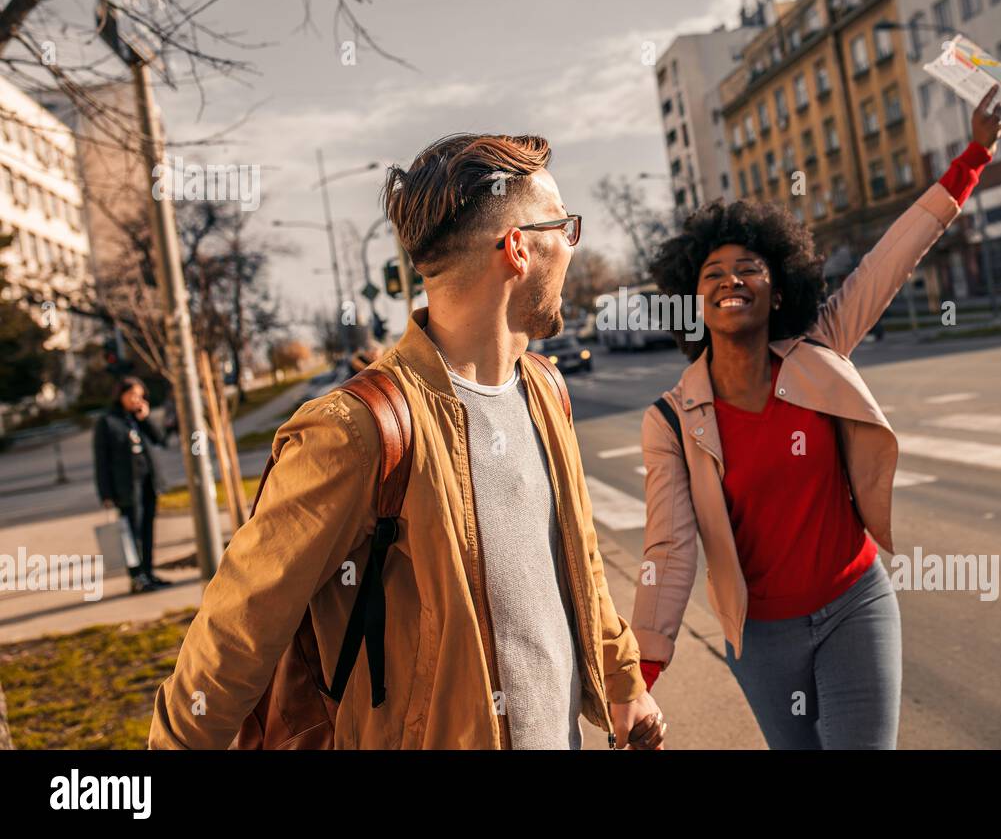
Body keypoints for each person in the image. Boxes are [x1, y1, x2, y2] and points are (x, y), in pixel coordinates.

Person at [150, 133, 664, 750]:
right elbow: (239, 625)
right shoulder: (358, 429)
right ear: (518, 248)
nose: (574, 249)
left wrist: (623, 683)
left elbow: (578, 558)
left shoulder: (545, 389)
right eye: (565, 228)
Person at [633, 86, 1001, 749]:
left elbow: (891, 258)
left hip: (855, 605)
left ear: (778, 287)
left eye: (748, 268)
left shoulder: (817, 350)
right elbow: (669, 551)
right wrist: (641, 677)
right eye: (712, 273)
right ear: (692, 300)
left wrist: (976, 153)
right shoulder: (671, 422)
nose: (731, 280)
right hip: (759, 638)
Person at [93, 376, 171, 594]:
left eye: (140, 395)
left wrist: (146, 419)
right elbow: (101, 461)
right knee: (132, 532)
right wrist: (105, 493)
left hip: (148, 482)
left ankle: (149, 571)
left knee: (147, 529)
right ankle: (137, 577)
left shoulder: (139, 419)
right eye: (132, 395)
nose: (137, 400)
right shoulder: (108, 422)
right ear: (121, 395)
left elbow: (160, 440)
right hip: (126, 487)